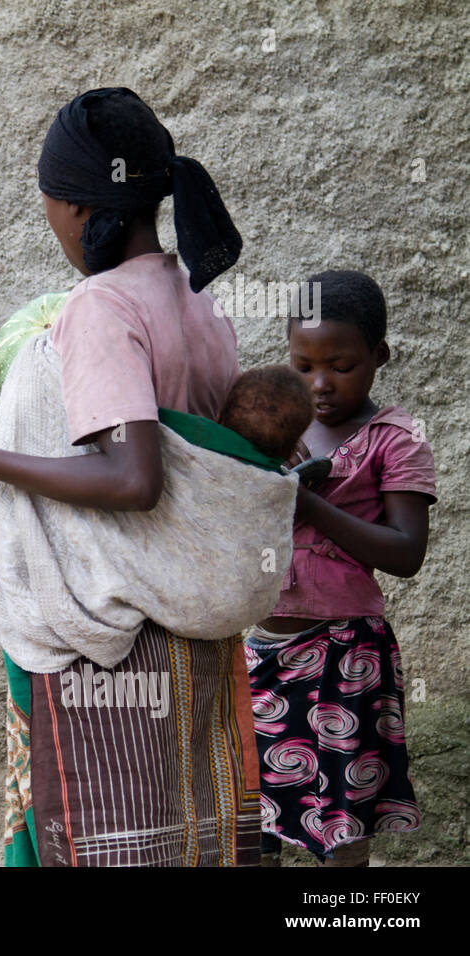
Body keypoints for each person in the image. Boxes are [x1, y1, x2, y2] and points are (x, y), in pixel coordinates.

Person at [0, 87, 263, 866]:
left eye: (48, 204)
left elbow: (135, 479)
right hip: (189, 626)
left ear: (71, 206)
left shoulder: (100, 307)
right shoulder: (198, 304)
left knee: (105, 840)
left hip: (115, 638)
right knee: (189, 834)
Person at [246, 270, 435, 867]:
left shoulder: (395, 441)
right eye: (303, 368)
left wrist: (309, 503)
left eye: (341, 366)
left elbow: (406, 552)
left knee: (342, 814)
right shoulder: (276, 429)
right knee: (251, 809)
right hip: (256, 650)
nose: (320, 385)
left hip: (344, 655)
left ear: (379, 355)